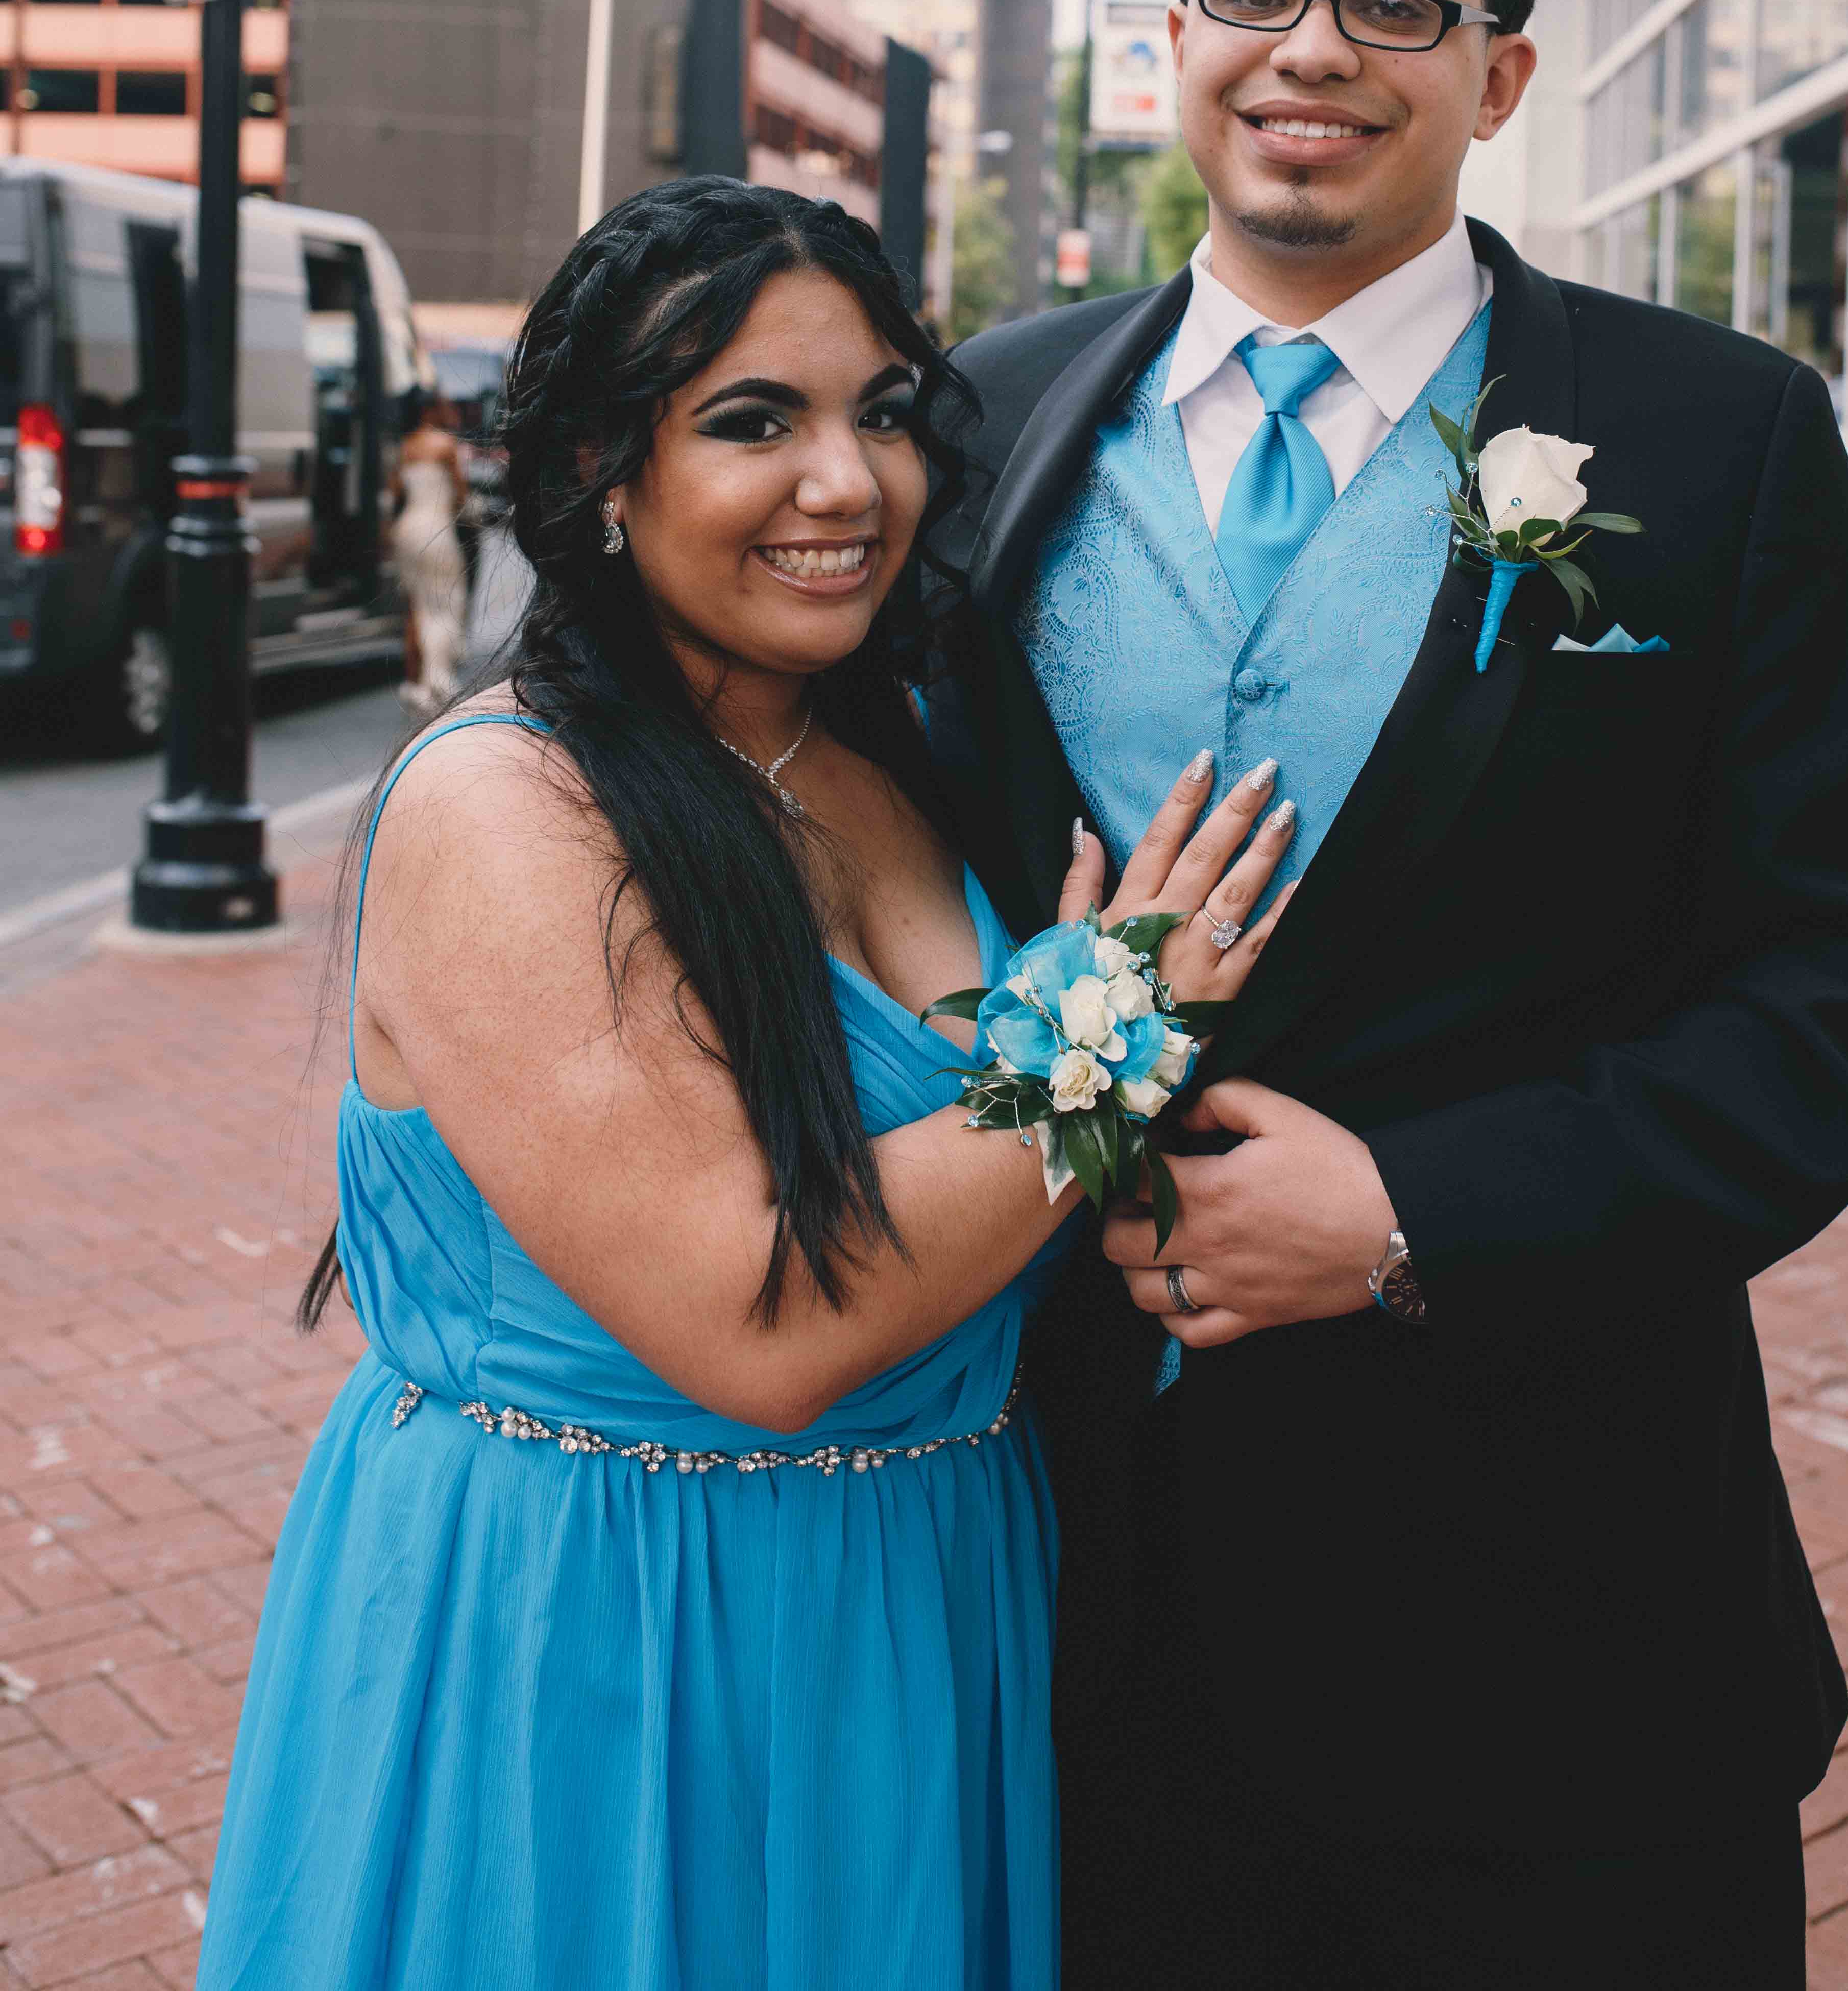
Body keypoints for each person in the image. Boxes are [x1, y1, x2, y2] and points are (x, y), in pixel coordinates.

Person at [927, 0, 1848, 1991]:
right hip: (1071, 1592)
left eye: (1391, 3)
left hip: (1555, 1606)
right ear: (1173, 41)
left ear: (1493, 71)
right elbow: (876, 893)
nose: (1310, 47)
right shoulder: (977, 424)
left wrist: (1415, 1211)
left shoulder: (1708, 437)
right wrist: (1041, 1077)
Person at [195, 177, 1290, 1991]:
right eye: (751, 420)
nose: (846, 481)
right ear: (602, 477)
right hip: (599, 1627)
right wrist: (1116, 1009)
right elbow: (759, 1319)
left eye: (879, 410)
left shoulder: (891, 753)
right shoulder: (508, 804)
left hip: (922, 1594)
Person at [391, 387, 469, 712]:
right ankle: (439, 679)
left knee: (419, 606)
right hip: (436, 529)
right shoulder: (446, 445)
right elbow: (460, 497)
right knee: (446, 601)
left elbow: (396, 492)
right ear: (431, 411)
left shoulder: (406, 447)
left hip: (407, 528)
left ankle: (419, 682)